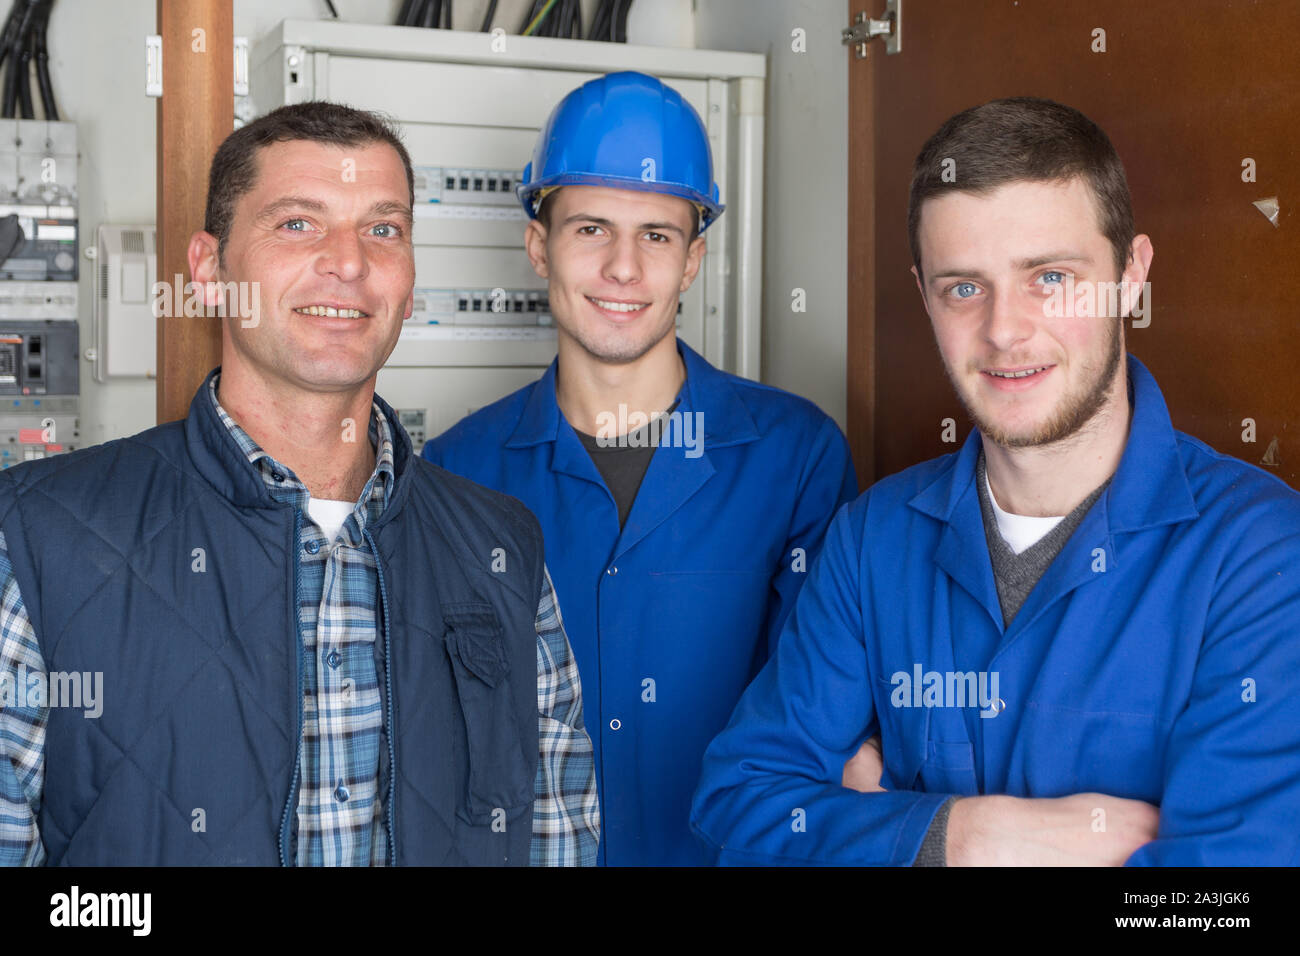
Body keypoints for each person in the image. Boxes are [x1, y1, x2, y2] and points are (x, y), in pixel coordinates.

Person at [691, 97, 1300, 866]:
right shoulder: (872, 539)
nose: (1006, 330)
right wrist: (964, 837)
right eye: (964, 288)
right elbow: (742, 804)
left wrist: (872, 830)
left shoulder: (1264, 559)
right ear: (925, 297)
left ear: (1131, 276)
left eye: (1050, 277)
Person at [0, 101, 599, 866]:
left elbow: (557, 837)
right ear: (209, 269)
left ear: (409, 283)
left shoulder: (503, 549)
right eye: (297, 224)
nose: (348, 262)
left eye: (382, 229)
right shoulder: (38, 537)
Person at [424, 71, 857, 865]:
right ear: (537, 245)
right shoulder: (455, 472)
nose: (624, 267)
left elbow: (819, 726)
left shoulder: (797, 457)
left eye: (656, 235)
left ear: (692, 260)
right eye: (591, 228)